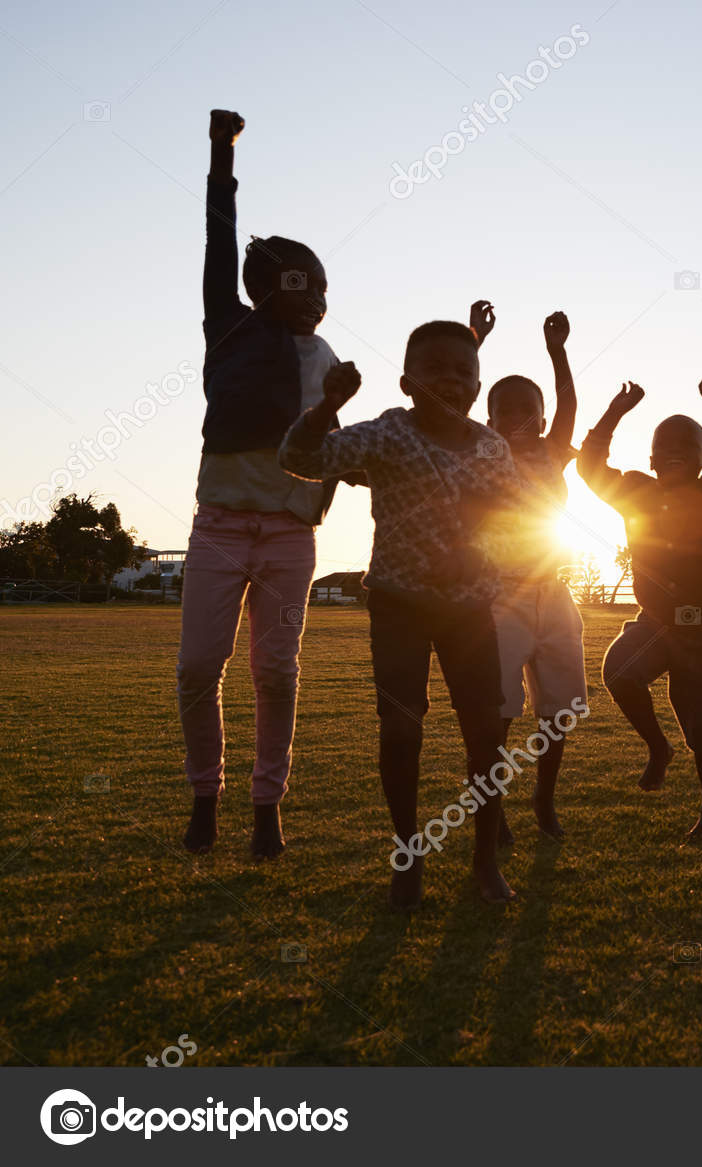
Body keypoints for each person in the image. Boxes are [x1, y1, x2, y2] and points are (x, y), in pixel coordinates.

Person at [279, 320, 520, 907]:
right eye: (435, 368)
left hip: (471, 611)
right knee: (401, 729)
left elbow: (518, 516)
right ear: (407, 382)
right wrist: (325, 407)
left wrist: (483, 543)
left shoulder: (493, 447)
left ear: (478, 381)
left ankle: (485, 864)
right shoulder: (389, 433)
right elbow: (299, 458)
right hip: (399, 605)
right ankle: (407, 857)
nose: (451, 380)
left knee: (486, 734)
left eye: (464, 370)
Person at [179, 109, 351, 860]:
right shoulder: (230, 326)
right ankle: (205, 796)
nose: (314, 301)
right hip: (218, 524)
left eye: (320, 290)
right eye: (302, 287)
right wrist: (222, 154)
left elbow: (333, 453)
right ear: (268, 288)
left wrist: (336, 414)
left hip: (287, 531)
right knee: (196, 668)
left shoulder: (326, 356)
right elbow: (220, 238)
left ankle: (265, 807)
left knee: (276, 672)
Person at [579, 380, 702, 839]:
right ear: (650, 461)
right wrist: (615, 409)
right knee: (618, 671)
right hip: (656, 625)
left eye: (688, 446)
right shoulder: (635, 491)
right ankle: (658, 748)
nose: (675, 451)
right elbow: (589, 467)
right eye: (664, 447)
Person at [479, 309, 584, 840]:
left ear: (542, 420)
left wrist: (558, 350)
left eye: (529, 408)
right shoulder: (483, 453)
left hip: (554, 591)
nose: (519, 415)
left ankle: (544, 798)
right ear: (489, 418)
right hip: (502, 595)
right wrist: (474, 341)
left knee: (559, 707)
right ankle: (491, 806)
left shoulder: (550, 452)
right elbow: (452, 409)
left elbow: (568, 403)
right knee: (497, 707)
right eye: (505, 409)